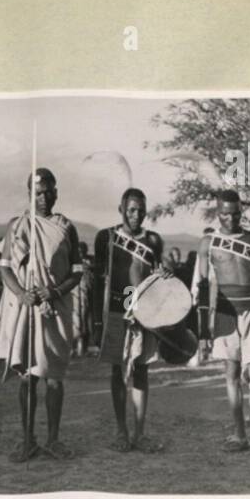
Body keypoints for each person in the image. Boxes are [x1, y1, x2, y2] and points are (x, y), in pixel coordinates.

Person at [0, 167, 82, 462]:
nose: (44, 198)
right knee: (28, 376)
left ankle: (54, 439)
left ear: (56, 192)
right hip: (26, 309)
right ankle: (28, 439)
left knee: (54, 377)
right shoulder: (17, 225)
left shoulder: (65, 226)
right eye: (38, 192)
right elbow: (4, 266)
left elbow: (77, 271)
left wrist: (54, 292)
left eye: (48, 191)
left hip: (55, 309)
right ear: (29, 194)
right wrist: (20, 292)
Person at [192, 190, 250, 451]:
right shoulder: (208, 242)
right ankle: (239, 434)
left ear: (241, 212)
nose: (231, 219)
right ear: (218, 213)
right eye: (226, 214)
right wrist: (203, 332)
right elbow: (203, 285)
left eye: (236, 213)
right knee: (231, 374)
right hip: (226, 314)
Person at [93, 188, 172, 453]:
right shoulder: (106, 237)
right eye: (131, 210)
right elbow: (97, 280)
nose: (136, 215)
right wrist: (95, 322)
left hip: (144, 312)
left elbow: (158, 276)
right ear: (121, 210)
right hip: (117, 309)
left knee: (141, 370)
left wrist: (166, 274)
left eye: (140, 210)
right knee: (117, 371)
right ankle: (120, 431)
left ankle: (140, 433)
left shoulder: (153, 240)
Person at [72, 243, 94, 357]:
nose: (81, 253)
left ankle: (83, 348)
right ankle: (73, 348)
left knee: (85, 322)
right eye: (79, 251)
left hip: (86, 296)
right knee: (75, 322)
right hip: (75, 296)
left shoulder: (90, 262)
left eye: (83, 251)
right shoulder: (72, 262)